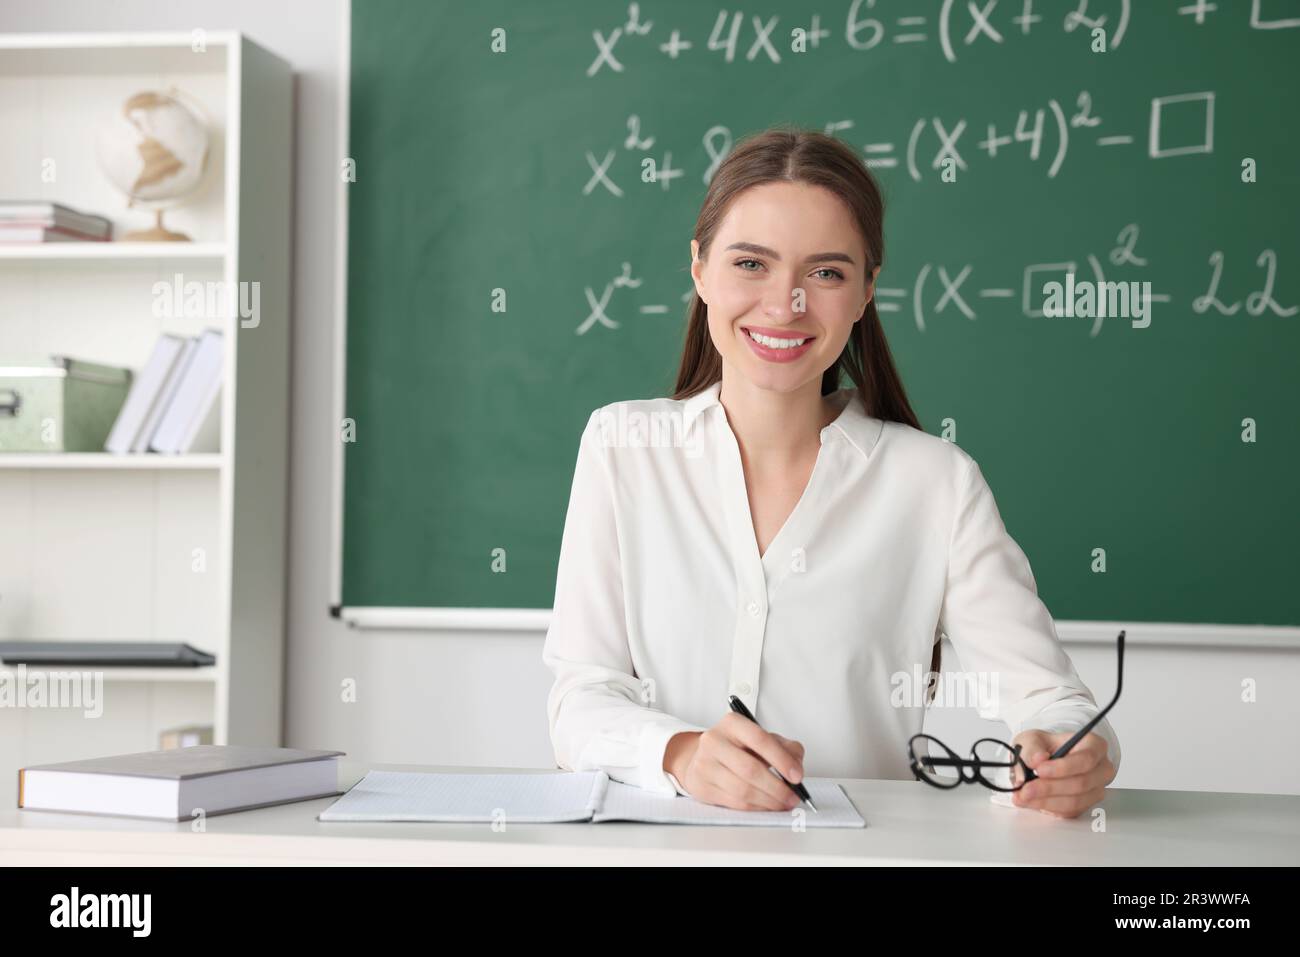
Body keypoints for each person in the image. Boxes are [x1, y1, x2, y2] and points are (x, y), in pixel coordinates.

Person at [543, 127, 1119, 819]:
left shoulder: (935, 484)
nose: (785, 304)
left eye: (825, 273)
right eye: (751, 263)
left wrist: (1074, 751)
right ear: (699, 269)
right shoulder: (624, 447)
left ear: (867, 289)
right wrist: (682, 752)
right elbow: (579, 701)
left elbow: (1057, 703)